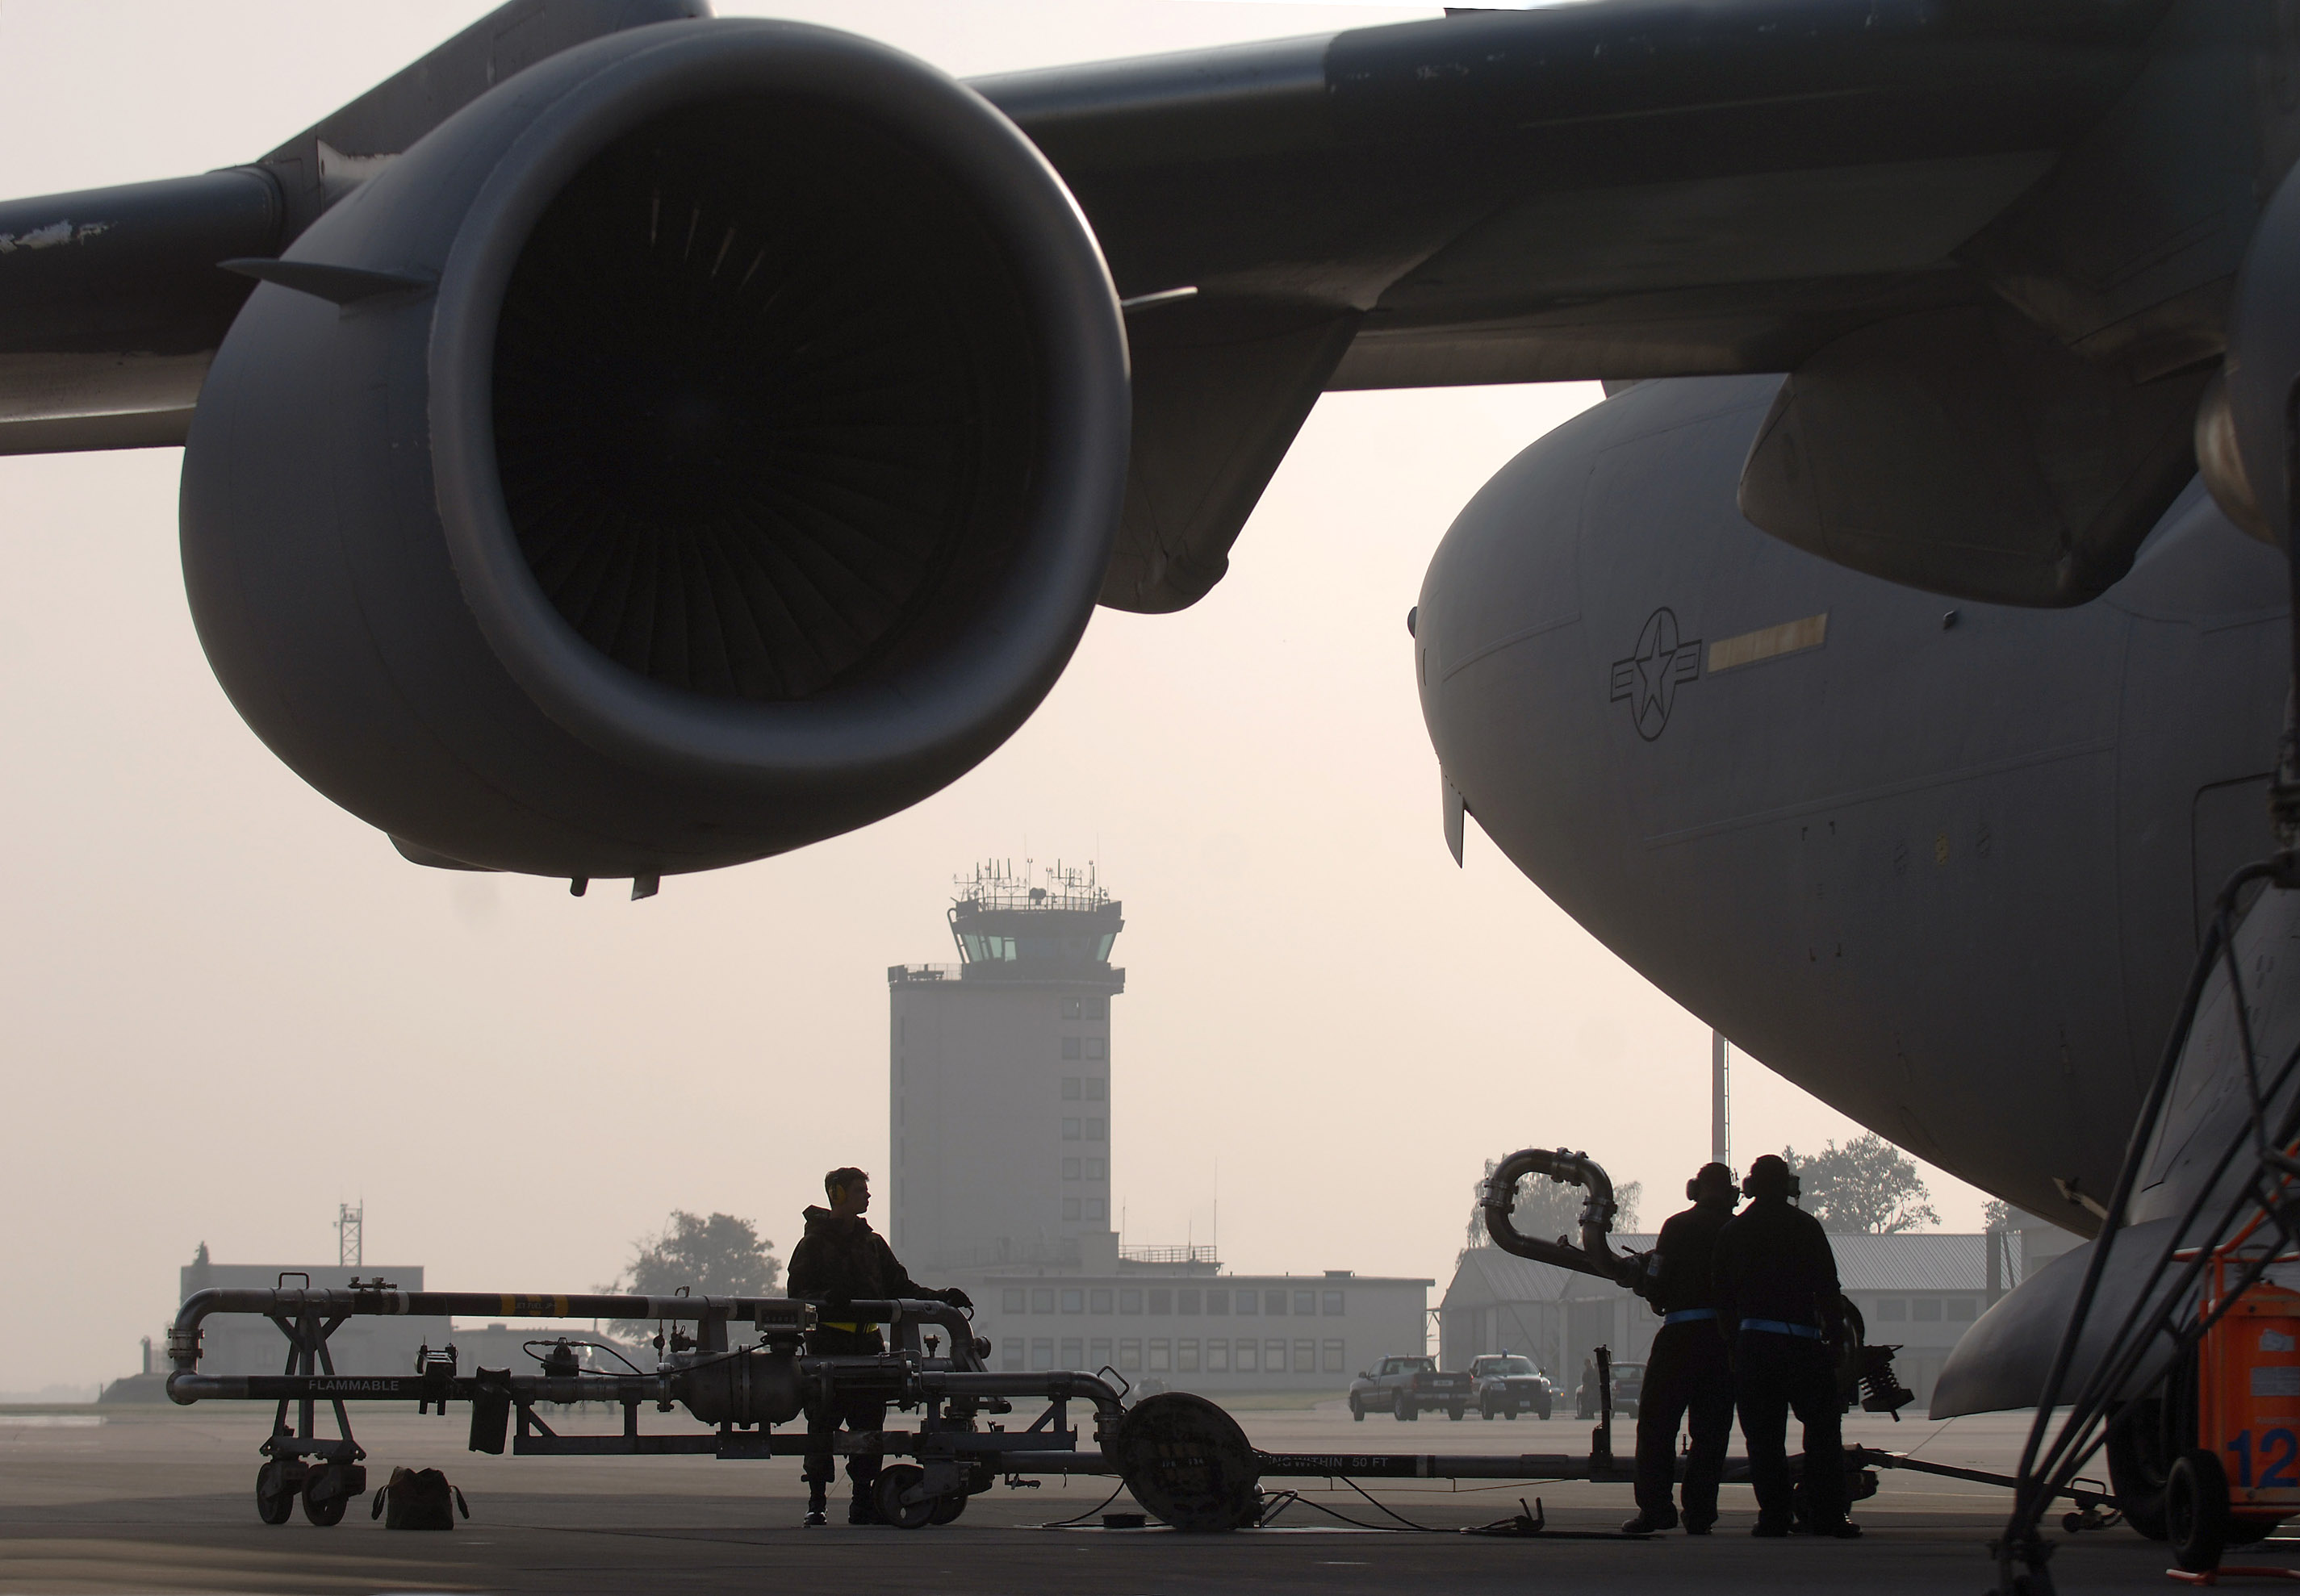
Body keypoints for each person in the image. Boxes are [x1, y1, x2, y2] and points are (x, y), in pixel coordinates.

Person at [785, 1166, 972, 1527]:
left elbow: (902, 1287)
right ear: (837, 1194)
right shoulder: (813, 1245)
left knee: (868, 1428)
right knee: (822, 1427)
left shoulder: (872, 1244)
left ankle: (862, 1501)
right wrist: (827, 1299)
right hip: (828, 1348)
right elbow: (798, 1298)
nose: (867, 1196)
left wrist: (942, 1299)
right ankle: (817, 1501)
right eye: (859, 1190)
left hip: (869, 1347)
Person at [1712, 1153, 1859, 1538]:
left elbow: (1723, 1300)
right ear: (1787, 1186)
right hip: (1804, 1347)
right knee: (1824, 1434)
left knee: (1764, 1438)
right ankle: (1828, 1515)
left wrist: (1733, 1346)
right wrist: (1838, 1339)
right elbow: (1828, 1288)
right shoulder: (1807, 1227)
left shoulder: (1732, 1233)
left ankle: (1774, 1516)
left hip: (1755, 1348)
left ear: (1750, 1187)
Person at [1621, 1161, 1738, 1536]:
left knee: (1657, 1427)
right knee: (1711, 1433)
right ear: (1732, 1194)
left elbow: (1656, 1281)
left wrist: (1652, 1290)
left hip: (1679, 1336)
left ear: (1694, 1189)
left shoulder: (1677, 1226)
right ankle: (1700, 1513)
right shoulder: (1737, 1231)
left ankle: (1655, 1509)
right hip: (1723, 1342)